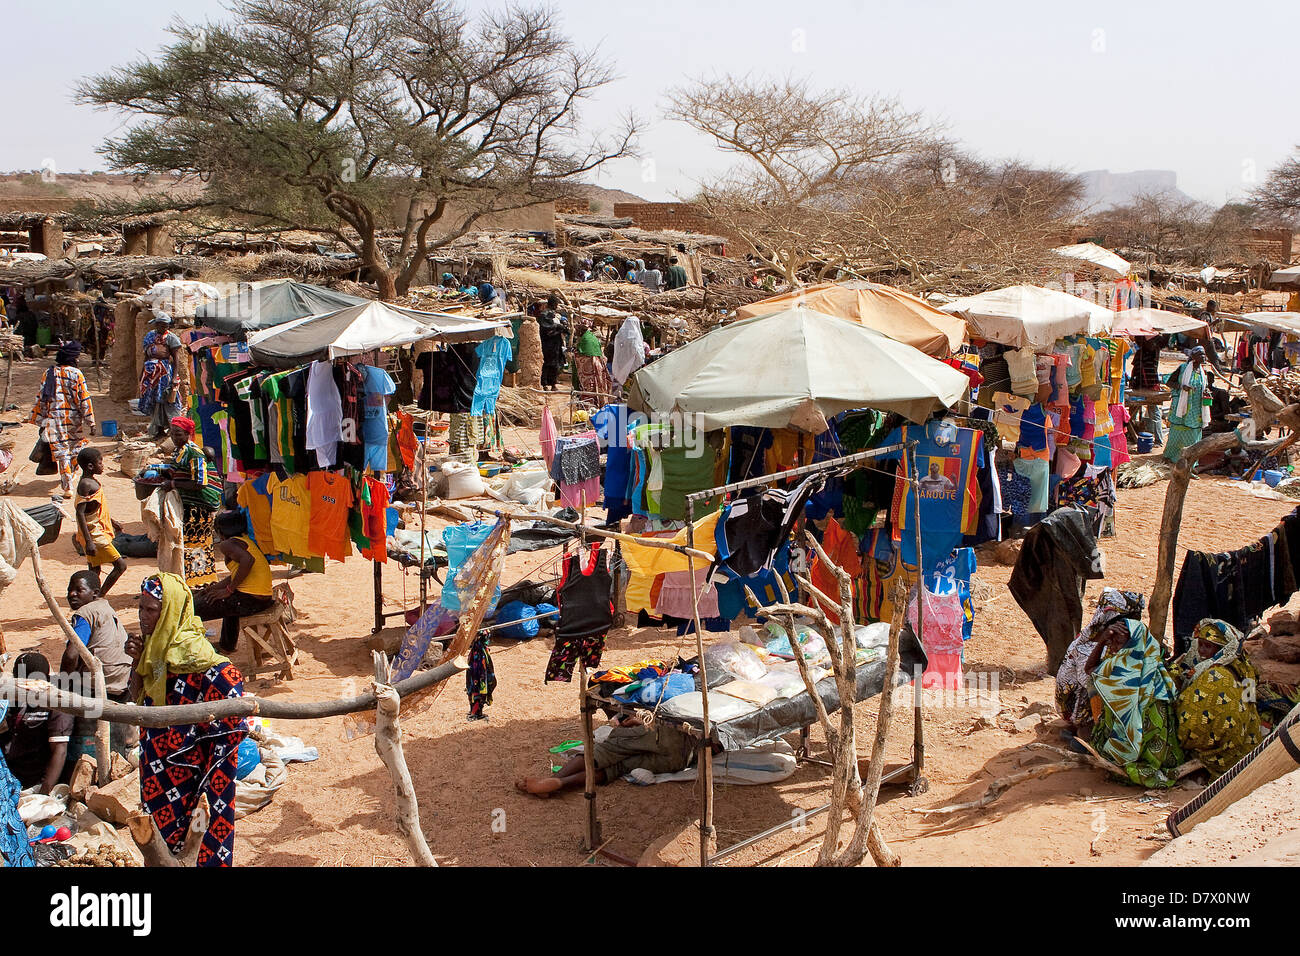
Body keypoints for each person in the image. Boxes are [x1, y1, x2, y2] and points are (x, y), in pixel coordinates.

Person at [127, 573, 246, 866]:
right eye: (141, 608)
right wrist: (136, 661)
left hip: (193, 766)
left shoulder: (197, 656)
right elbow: (138, 697)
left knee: (201, 830)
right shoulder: (153, 648)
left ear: (170, 612)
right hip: (157, 763)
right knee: (159, 838)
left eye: (151, 610)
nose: (143, 617)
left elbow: (228, 681)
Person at [1087, 613, 1184, 787]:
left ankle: (1131, 760)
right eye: (1113, 641)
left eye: (1119, 642)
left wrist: (1102, 641)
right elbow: (1090, 671)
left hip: (1149, 743)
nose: (1115, 647)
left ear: (1135, 642)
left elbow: (1091, 669)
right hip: (1132, 739)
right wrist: (1103, 640)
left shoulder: (1138, 669)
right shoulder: (1121, 664)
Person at [516, 713, 697, 796]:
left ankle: (556, 779)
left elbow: (658, 714)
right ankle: (560, 784)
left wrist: (635, 720)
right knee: (620, 767)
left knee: (608, 750)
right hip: (680, 760)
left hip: (672, 733)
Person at [62, 570, 137, 763]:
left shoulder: (84, 613)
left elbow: (72, 654)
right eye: (70, 589)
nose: (72, 594)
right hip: (123, 679)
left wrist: (63, 685)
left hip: (102, 682)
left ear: (94, 593)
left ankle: (81, 761)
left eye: (79, 590)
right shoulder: (106, 608)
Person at [1171, 619, 1261, 778]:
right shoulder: (1245, 667)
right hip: (1247, 741)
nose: (1202, 651)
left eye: (1208, 646)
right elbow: (1252, 703)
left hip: (1219, 748)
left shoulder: (1213, 675)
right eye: (1201, 645)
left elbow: (1189, 713)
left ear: (1221, 649)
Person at [1056, 589, 1145, 740]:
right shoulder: (1089, 646)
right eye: (1131, 618)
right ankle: (1087, 731)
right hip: (1082, 705)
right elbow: (1092, 681)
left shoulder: (1120, 639)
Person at [191, 511, 275, 652]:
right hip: (261, 598)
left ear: (220, 530)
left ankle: (187, 648)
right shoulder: (244, 540)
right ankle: (226, 645)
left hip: (251, 600)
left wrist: (228, 590)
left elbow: (248, 560)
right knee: (220, 598)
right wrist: (213, 589)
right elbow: (237, 574)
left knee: (192, 608)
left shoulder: (227, 544)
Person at [160, 417, 223, 588]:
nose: (174, 437)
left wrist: (172, 484)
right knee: (190, 543)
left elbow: (200, 483)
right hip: (191, 503)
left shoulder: (194, 453)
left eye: (178, 434)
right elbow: (173, 470)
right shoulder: (180, 451)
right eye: (172, 433)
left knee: (197, 543)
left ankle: (200, 582)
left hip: (201, 504)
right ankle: (194, 580)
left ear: (188, 434)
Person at [28, 341, 95, 495]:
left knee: (61, 452)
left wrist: (40, 419)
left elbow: (42, 398)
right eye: (77, 357)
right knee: (75, 448)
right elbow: (84, 399)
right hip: (73, 420)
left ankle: (68, 486)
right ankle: (70, 478)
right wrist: (91, 421)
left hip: (53, 420)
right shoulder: (76, 374)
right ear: (72, 358)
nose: (78, 360)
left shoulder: (48, 373)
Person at [0, 653, 72, 793]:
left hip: (34, 781)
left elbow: (60, 749)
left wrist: (44, 792)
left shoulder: (55, 702)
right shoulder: (13, 696)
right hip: (8, 774)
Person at [73, 447, 127, 596]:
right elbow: (80, 513)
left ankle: (89, 595)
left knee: (95, 568)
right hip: (94, 534)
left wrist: (112, 521)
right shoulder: (86, 484)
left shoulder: (91, 481)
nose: (102, 465)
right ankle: (99, 595)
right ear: (91, 466)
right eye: (100, 462)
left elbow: (95, 508)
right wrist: (89, 541)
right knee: (120, 565)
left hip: (96, 531)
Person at [138, 313, 184, 440]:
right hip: (150, 375)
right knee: (153, 400)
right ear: (156, 324)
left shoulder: (171, 338)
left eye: (166, 325)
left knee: (167, 399)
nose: (164, 327)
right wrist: (142, 373)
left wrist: (175, 377)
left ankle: (173, 429)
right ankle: (158, 429)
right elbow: (146, 357)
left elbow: (176, 359)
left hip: (165, 374)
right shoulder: (150, 336)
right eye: (161, 325)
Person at [1163, 346, 1209, 464]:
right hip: (1181, 409)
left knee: (1193, 437)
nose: (1203, 357)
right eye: (1200, 354)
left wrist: (1206, 392)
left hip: (1196, 412)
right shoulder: (1183, 369)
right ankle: (1170, 459)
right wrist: (1181, 387)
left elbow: (1204, 387)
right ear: (1193, 357)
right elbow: (1168, 382)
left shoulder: (1203, 373)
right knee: (1176, 435)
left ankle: (1189, 464)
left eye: (1204, 354)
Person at [572, 319, 612, 403]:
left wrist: (574, 353)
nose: (576, 332)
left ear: (581, 330)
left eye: (578, 330)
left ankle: (589, 405)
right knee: (598, 385)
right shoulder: (591, 337)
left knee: (589, 388)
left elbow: (582, 355)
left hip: (590, 368)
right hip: (598, 366)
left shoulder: (586, 339)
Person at [538, 294, 569, 392]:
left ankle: (553, 384)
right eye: (556, 303)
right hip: (547, 344)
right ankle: (544, 384)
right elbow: (545, 327)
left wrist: (561, 327)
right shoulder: (544, 315)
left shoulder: (556, 315)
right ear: (553, 303)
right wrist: (557, 326)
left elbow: (563, 328)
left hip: (556, 344)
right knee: (546, 364)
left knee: (555, 364)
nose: (557, 306)